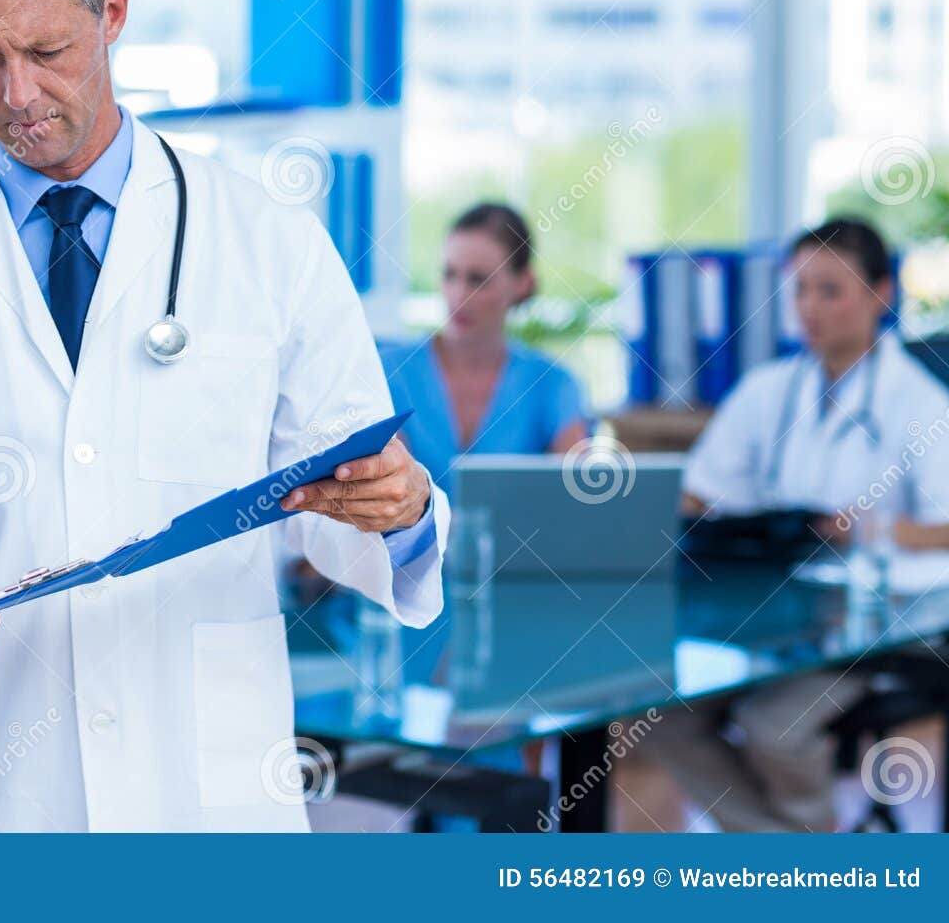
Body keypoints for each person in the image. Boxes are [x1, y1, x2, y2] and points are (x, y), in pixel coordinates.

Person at [0, 0, 448, 832]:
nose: (17, 94)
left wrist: (400, 512)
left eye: (46, 49)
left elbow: (348, 496)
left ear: (111, 12)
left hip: (205, 796)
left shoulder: (266, 242)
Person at [648, 217, 949, 831]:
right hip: (776, 617)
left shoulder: (920, 402)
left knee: (774, 728)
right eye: (801, 290)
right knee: (663, 719)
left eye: (830, 290)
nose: (810, 308)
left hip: (880, 624)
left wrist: (870, 527)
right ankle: (800, 872)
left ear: (881, 294)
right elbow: (700, 490)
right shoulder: (771, 389)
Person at [379, 202, 587, 494]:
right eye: (450, 274)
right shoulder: (390, 372)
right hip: (415, 541)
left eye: (479, 280)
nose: (458, 295)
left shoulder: (552, 383)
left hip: (516, 541)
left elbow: (582, 496)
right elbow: (390, 494)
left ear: (522, 283)